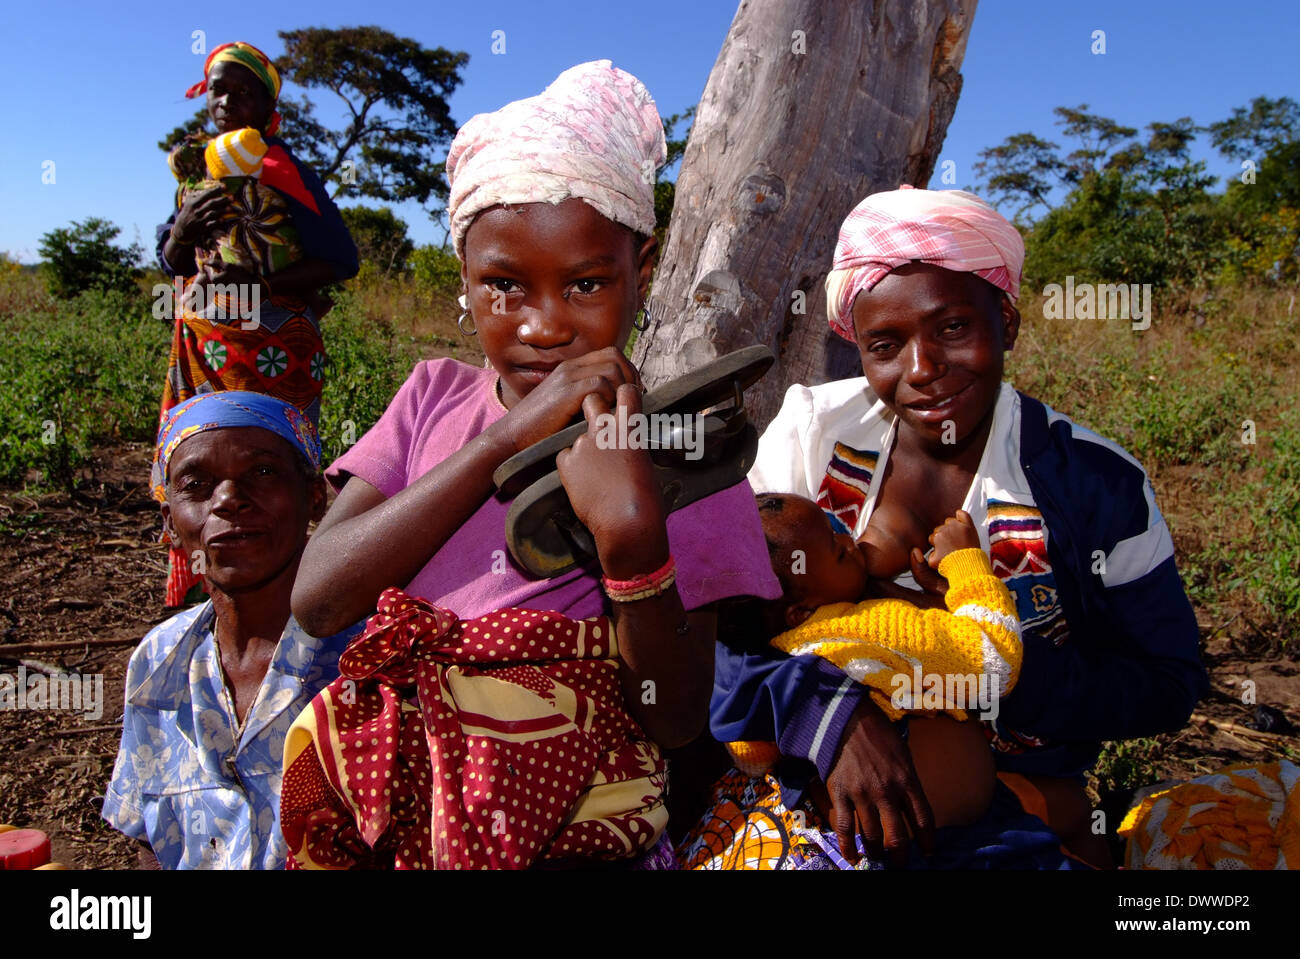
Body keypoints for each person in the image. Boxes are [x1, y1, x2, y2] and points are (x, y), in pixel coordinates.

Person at [290, 61, 781, 867]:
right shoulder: (430, 399)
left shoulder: (688, 451)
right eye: (504, 287)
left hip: (570, 832)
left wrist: (631, 541)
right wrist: (501, 441)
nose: (545, 326)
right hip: (394, 816)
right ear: (466, 282)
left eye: (586, 284)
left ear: (643, 270)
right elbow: (318, 594)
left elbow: (676, 715)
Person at [700, 186, 1208, 870]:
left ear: (1006, 319)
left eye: (952, 328)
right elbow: (722, 617)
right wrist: (832, 717)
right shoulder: (813, 433)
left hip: (1012, 797)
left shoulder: (1095, 484)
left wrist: (974, 670)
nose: (922, 369)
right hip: (819, 792)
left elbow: (1169, 683)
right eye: (886, 344)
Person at [102, 392, 363, 869]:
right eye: (196, 484)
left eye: (262, 473)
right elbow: (150, 844)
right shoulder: (158, 659)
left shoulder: (371, 657)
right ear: (169, 524)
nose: (228, 500)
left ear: (314, 496)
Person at [155, 41, 358, 607]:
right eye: (220, 89)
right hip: (205, 343)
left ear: (265, 106)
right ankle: (207, 587)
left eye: (243, 91)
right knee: (202, 458)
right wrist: (182, 230)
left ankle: (284, 592)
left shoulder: (285, 170)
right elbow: (171, 262)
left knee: (269, 463)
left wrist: (261, 291)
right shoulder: (193, 171)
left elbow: (342, 259)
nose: (227, 100)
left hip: (275, 345)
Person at [721, 497, 1019, 833]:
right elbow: (995, 665)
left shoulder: (775, 649)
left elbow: (752, 756)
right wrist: (966, 564)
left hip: (840, 840)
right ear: (801, 612)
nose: (851, 541)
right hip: (941, 843)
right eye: (838, 551)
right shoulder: (872, 626)